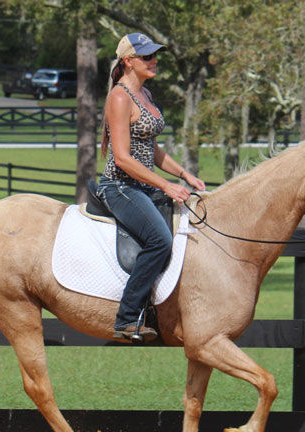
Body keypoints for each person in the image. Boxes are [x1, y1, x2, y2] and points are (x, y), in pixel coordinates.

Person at [98, 33, 205, 342]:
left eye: (155, 55)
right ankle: (127, 318)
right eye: (147, 56)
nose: (154, 60)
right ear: (129, 61)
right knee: (159, 239)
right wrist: (166, 186)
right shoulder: (120, 98)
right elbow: (122, 158)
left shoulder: (145, 94)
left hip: (143, 186)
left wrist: (184, 174)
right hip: (120, 186)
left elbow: (152, 151)